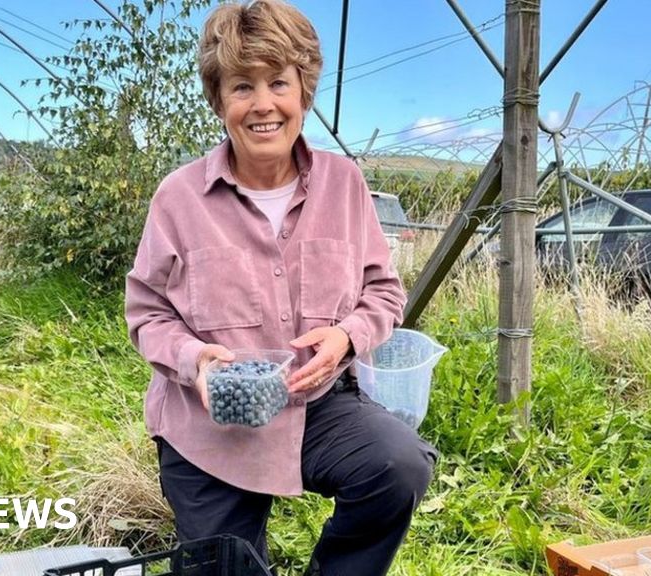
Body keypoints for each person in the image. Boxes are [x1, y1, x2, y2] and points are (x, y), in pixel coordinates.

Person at [124, 1, 437, 574]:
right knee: (220, 566)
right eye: (242, 86)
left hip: (316, 405)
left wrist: (346, 336)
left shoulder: (343, 185)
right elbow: (147, 313)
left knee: (397, 466)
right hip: (208, 425)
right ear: (219, 101)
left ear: (304, 92)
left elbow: (384, 292)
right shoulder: (179, 198)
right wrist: (196, 362)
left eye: (278, 82)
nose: (263, 104)